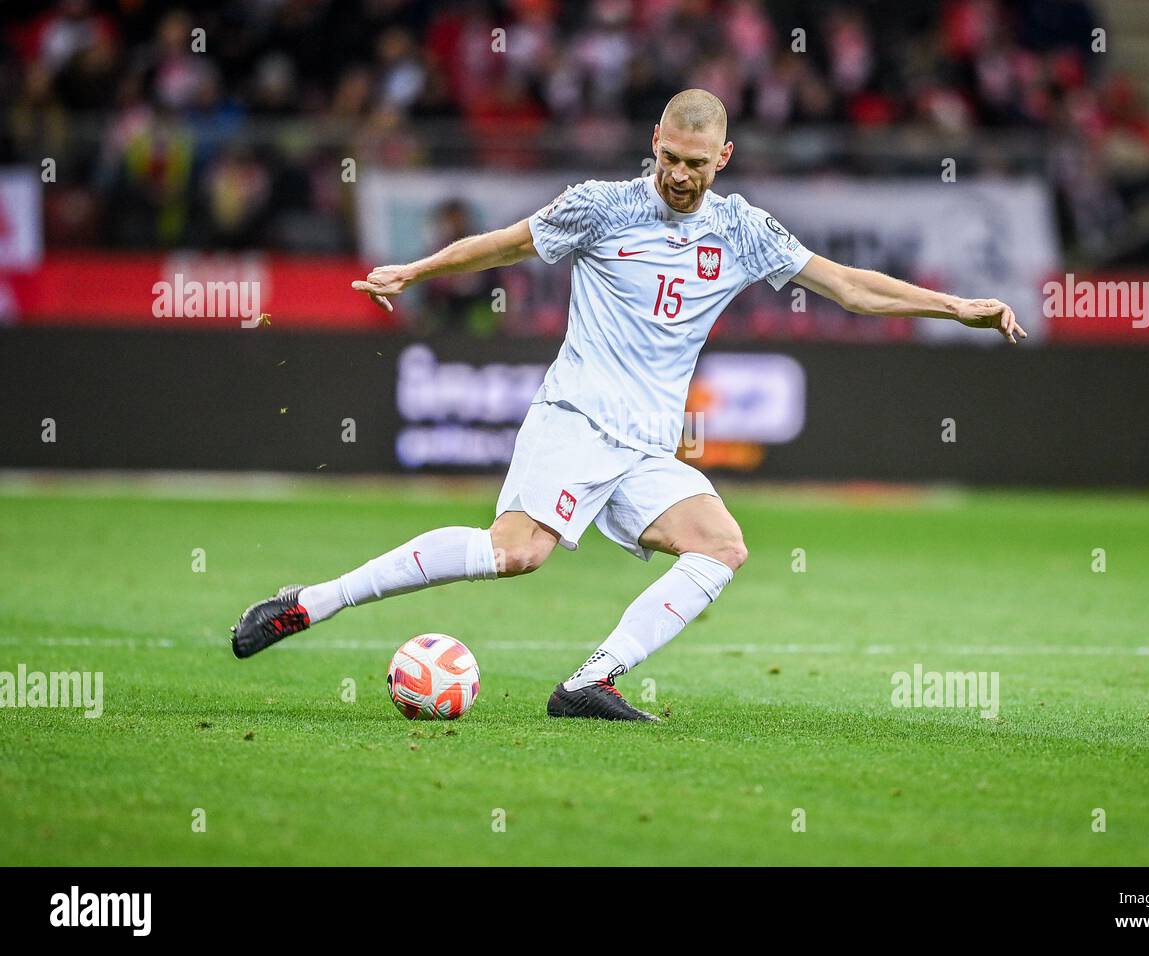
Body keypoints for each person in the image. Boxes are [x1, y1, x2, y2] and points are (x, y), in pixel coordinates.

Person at [230, 89, 1026, 721]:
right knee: (517, 553)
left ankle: (591, 683)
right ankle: (311, 602)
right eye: (671, 159)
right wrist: (415, 270)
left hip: (647, 442)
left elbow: (851, 286)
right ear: (655, 142)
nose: (681, 177)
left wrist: (957, 306)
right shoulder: (600, 206)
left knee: (720, 546)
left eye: (698, 164)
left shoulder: (743, 229)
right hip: (578, 417)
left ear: (726, 156)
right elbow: (505, 242)